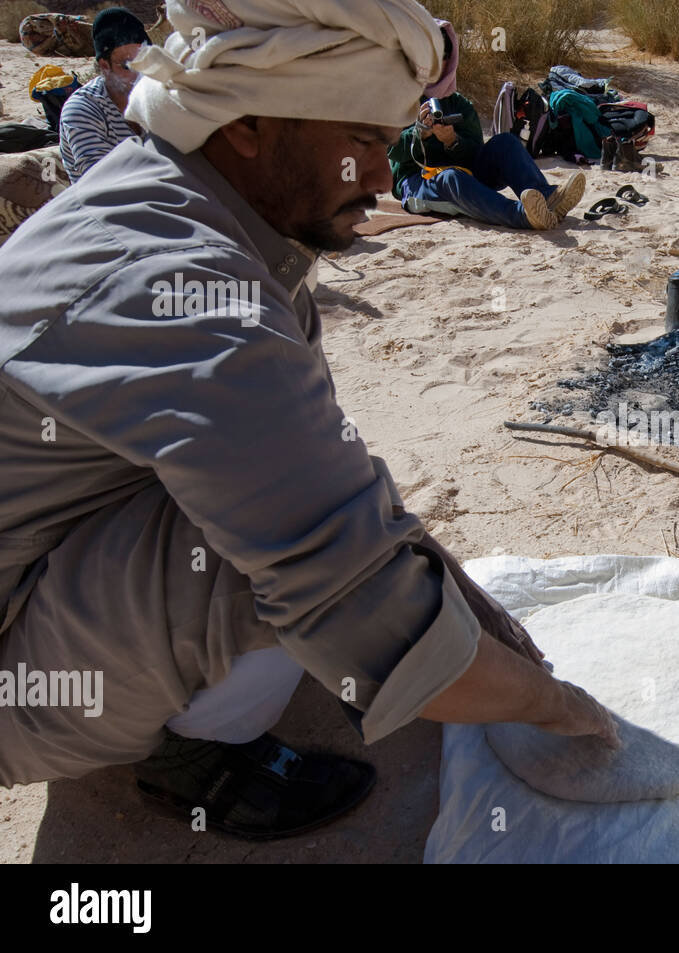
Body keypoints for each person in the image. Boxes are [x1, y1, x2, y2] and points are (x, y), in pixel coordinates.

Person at [0, 0, 617, 840]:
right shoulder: (186, 281)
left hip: (41, 573)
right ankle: (193, 761)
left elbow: (326, 473)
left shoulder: (195, 201)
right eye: (361, 145)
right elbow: (351, 593)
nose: (379, 179)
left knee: (291, 501)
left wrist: (467, 601)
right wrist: (561, 705)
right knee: (262, 563)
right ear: (248, 124)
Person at [387, 26, 585, 231]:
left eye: (442, 56)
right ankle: (523, 215)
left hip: (466, 177)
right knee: (451, 177)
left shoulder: (459, 104)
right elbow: (392, 150)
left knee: (506, 143)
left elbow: (475, 153)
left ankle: (548, 198)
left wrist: (453, 142)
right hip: (420, 183)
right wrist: (419, 133)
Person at [57, 6, 148, 183]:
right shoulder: (83, 109)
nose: (140, 74)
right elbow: (103, 183)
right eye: (128, 65)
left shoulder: (157, 96)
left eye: (145, 61)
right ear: (105, 66)